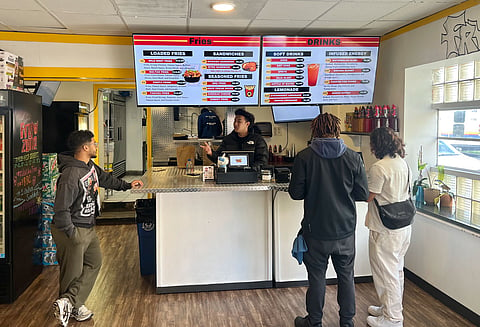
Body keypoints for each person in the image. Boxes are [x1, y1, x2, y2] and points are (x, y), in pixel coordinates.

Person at [51, 130, 143, 327]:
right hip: (73, 229)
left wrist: (127, 186)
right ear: (85, 147)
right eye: (93, 143)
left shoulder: (89, 166)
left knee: (95, 263)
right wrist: (71, 233)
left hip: (88, 227)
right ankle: (71, 308)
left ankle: (69, 302)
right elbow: (60, 209)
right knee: (72, 273)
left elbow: (106, 179)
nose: (97, 145)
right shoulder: (71, 174)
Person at [288, 113, 369, 327]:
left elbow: (295, 193)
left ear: (314, 131)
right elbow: (362, 194)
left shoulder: (304, 157)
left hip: (316, 231)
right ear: (337, 130)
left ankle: (314, 322)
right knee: (346, 277)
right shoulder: (354, 158)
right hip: (345, 230)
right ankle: (347, 322)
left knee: (317, 279)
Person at [365, 127, 412, 327]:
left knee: (386, 273)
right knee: (396, 271)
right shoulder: (402, 163)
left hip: (384, 229)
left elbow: (369, 196)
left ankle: (392, 319)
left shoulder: (379, 167)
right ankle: (389, 308)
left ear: (376, 145)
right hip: (404, 226)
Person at [200, 108, 268, 171]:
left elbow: (262, 161)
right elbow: (220, 158)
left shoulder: (257, 140)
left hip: (252, 176)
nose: (235, 124)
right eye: (235, 121)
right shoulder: (228, 139)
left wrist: (250, 169)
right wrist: (211, 153)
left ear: (247, 124)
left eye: (239, 121)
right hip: (230, 175)